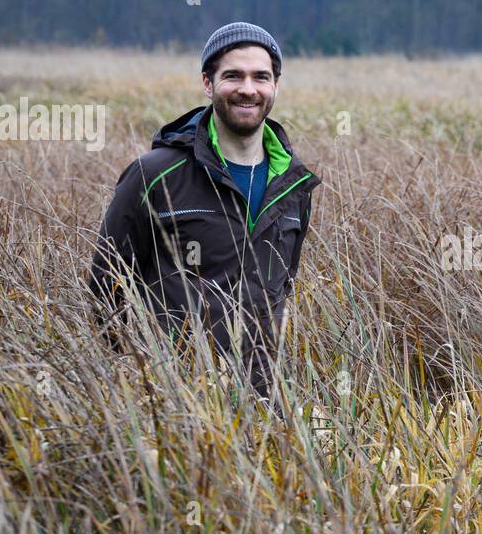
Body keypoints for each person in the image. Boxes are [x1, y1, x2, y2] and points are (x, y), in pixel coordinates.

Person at [88, 22, 321, 404]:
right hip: (174, 404)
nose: (248, 88)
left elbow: (283, 288)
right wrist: (139, 378)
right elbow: (106, 286)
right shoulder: (154, 174)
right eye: (233, 75)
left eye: (261, 77)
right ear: (208, 84)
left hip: (264, 409)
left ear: (275, 86)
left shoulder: (294, 184)